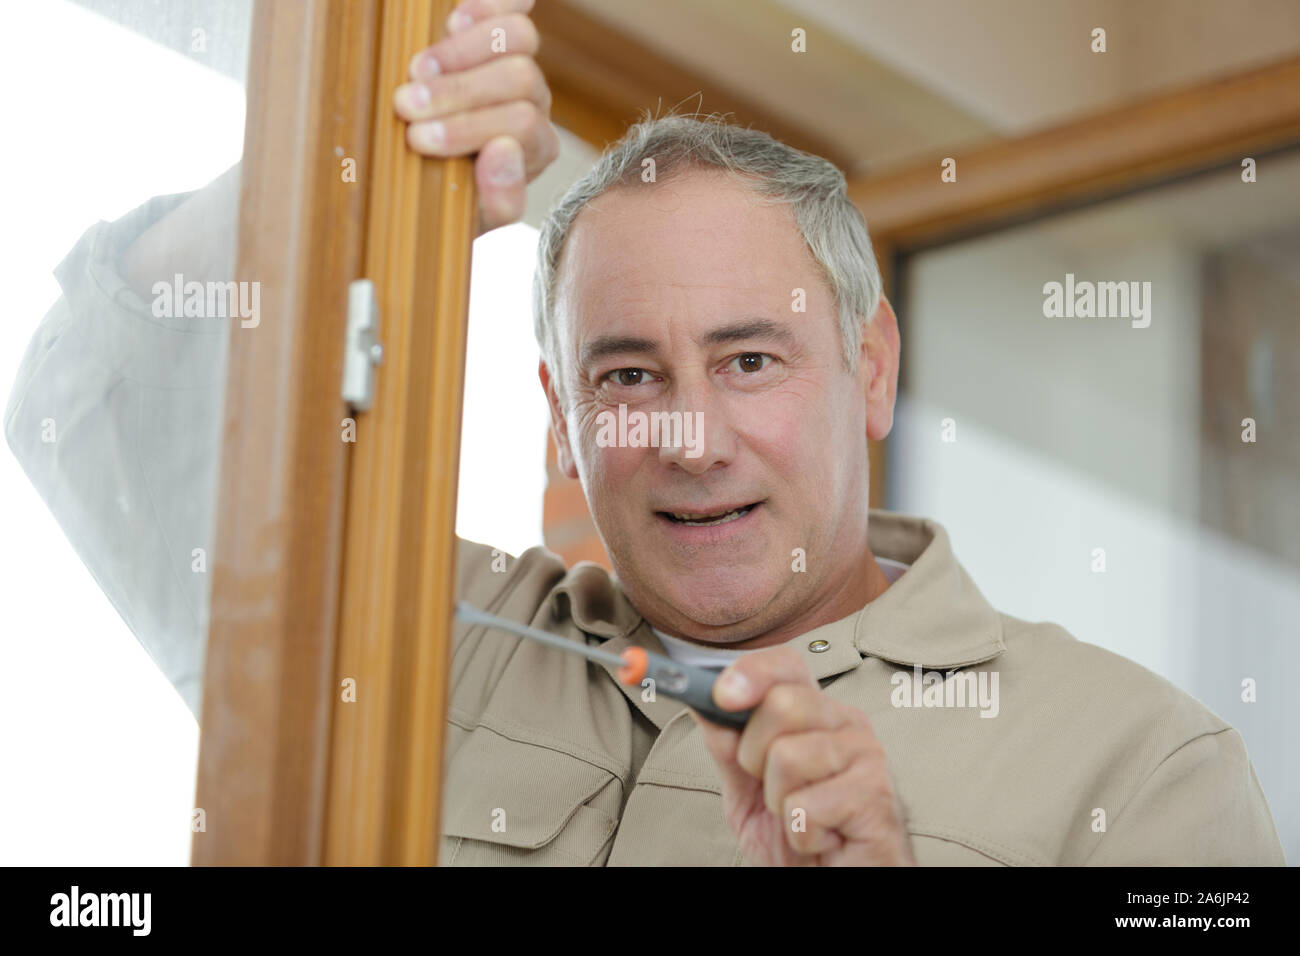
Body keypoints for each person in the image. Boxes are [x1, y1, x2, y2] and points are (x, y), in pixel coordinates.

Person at [6, 0, 1285, 866]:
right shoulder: (415, 636)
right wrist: (344, 147)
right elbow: (93, 412)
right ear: (563, 418)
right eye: (627, 372)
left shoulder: (1150, 766)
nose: (689, 434)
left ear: (871, 368)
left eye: (748, 357)